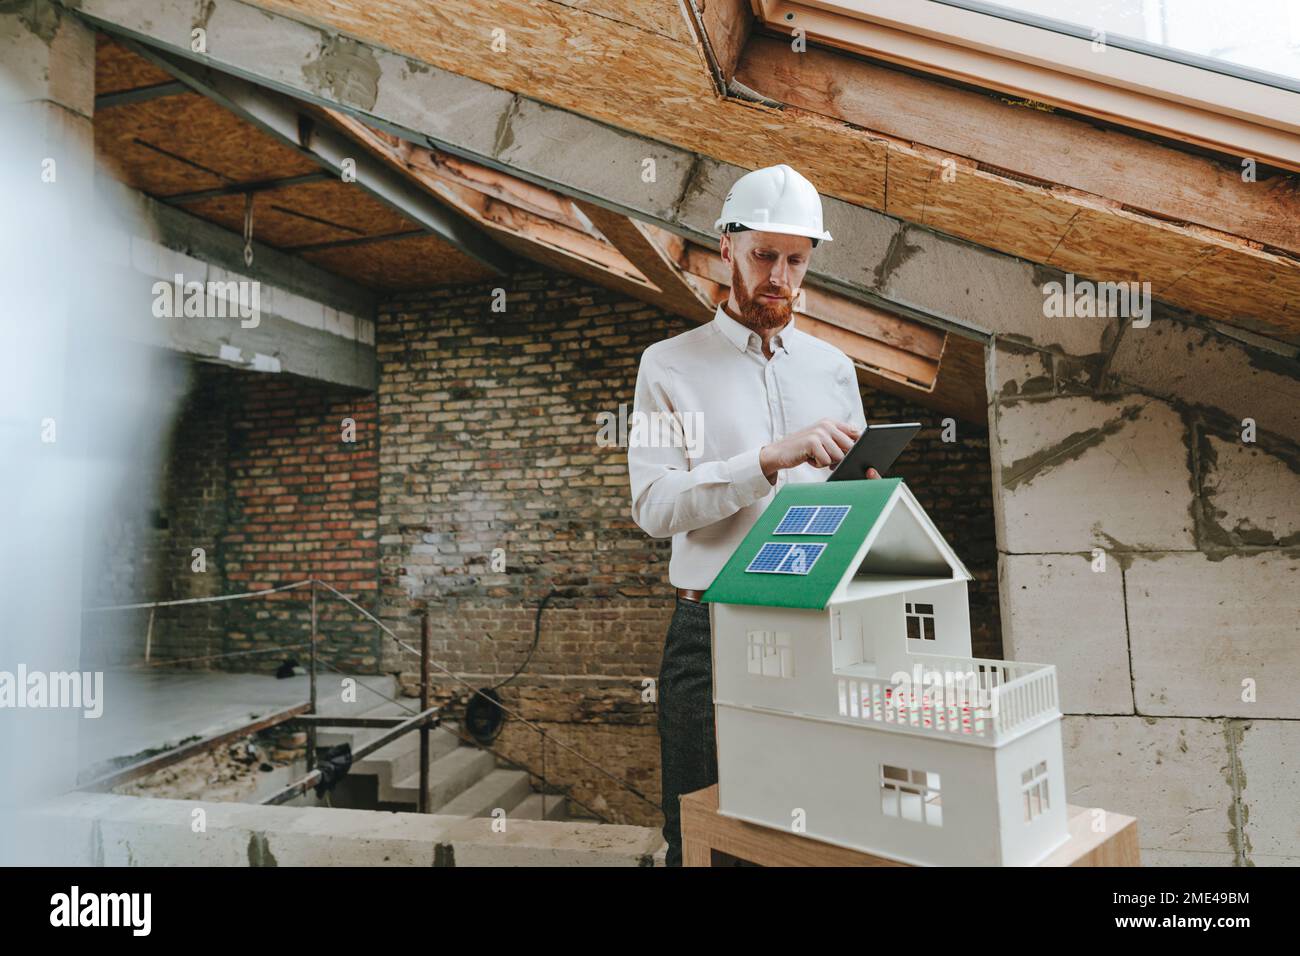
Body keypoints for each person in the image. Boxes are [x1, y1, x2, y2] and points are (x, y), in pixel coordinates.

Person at [627, 163, 881, 866]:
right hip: (709, 631)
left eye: (795, 260)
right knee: (703, 835)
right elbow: (653, 508)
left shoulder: (834, 369)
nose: (778, 275)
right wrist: (765, 460)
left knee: (807, 824)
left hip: (814, 624)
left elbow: (840, 500)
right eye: (763, 255)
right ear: (726, 248)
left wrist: (864, 491)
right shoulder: (666, 365)